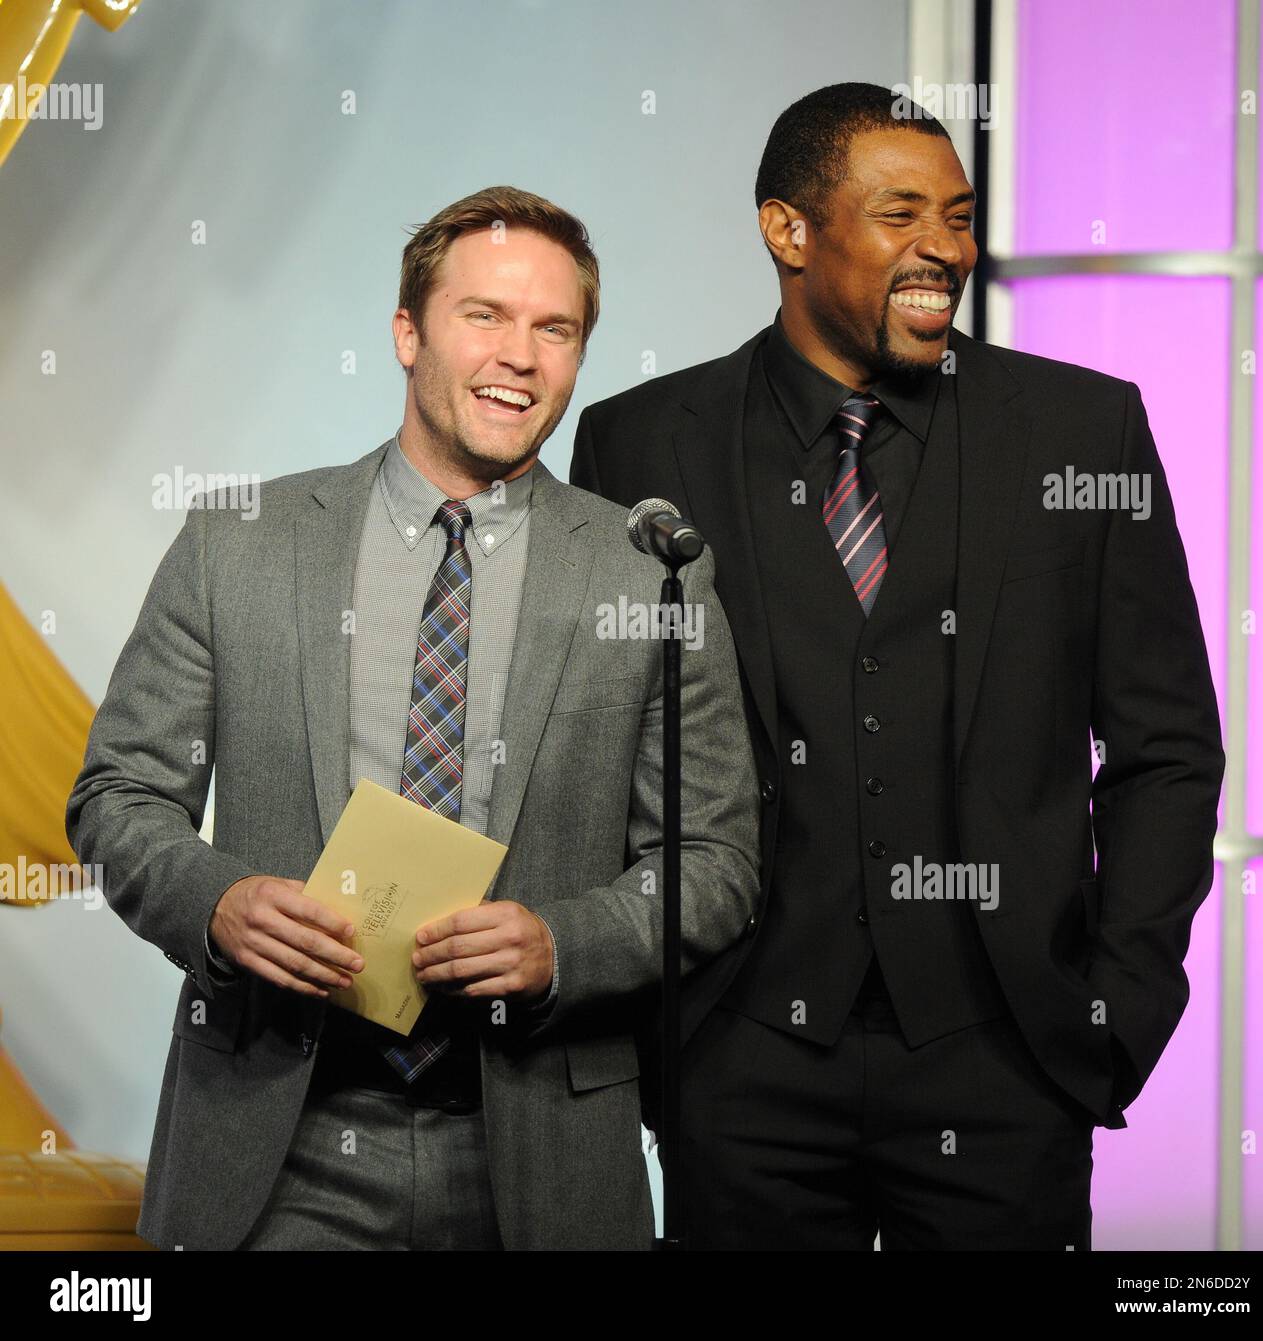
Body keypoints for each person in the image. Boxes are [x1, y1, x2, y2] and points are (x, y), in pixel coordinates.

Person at [570, 84, 1225, 1250]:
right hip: (738, 1063)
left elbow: (1166, 747)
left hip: (1007, 1061)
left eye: (960, 217)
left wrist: (1116, 1005)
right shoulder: (641, 443)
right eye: (901, 213)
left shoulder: (1083, 434)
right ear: (789, 230)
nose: (944, 249)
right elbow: (602, 746)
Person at [66, 185, 760, 1251]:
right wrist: (219, 902)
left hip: (537, 1153)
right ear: (406, 333)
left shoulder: (650, 570)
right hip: (279, 1139)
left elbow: (712, 863)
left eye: (554, 328)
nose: (520, 356)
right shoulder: (237, 544)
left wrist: (562, 945)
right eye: (484, 315)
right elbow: (118, 797)